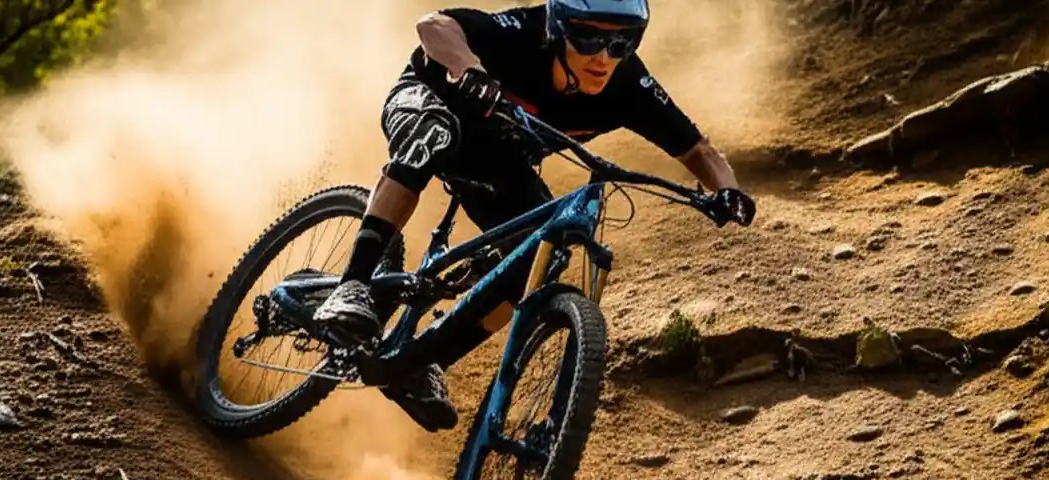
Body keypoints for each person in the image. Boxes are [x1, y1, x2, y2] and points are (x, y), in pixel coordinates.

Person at [315, 0, 756, 432]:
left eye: (622, 42)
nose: (604, 57)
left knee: (542, 256)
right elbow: (433, 25)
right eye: (589, 39)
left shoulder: (629, 85)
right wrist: (469, 70)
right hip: (429, 100)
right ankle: (352, 284)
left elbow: (698, 150)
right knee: (434, 134)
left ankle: (421, 362)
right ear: (559, 29)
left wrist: (729, 193)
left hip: (493, 158)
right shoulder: (524, 34)